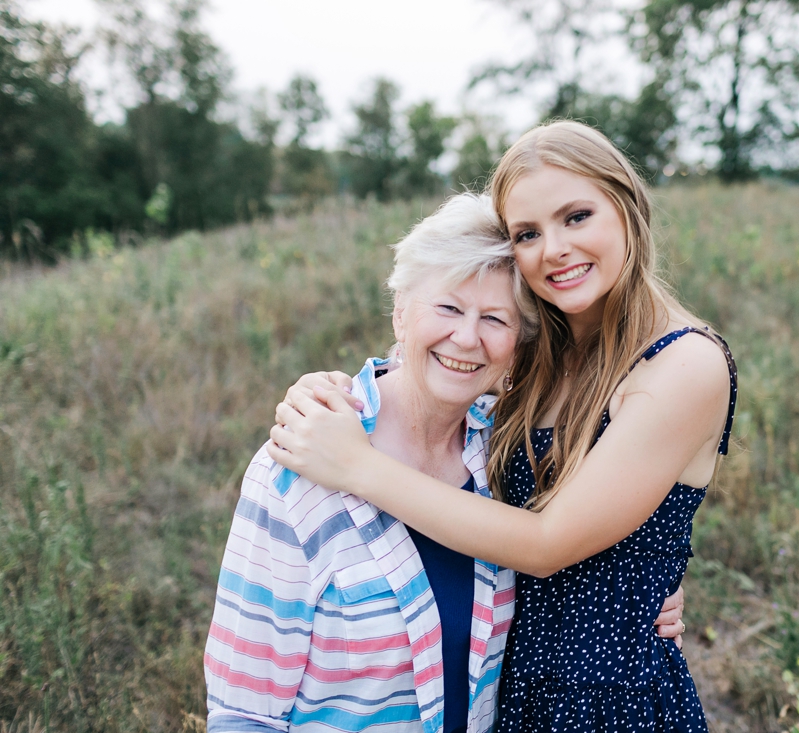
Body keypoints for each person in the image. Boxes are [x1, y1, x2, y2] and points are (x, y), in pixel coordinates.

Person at [270, 121, 735, 732]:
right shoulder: (550, 348)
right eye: (527, 233)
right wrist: (333, 391)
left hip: (606, 700)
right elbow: (442, 358)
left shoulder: (685, 365)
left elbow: (547, 547)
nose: (554, 249)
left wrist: (356, 466)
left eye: (577, 216)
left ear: (627, 205)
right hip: (509, 686)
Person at [205, 192, 685, 733]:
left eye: (495, 319)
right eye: (448, 308)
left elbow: (575, 539)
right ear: (401, 313)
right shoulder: (300, 466)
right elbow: (244, 714)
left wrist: (646, 586)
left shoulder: (510, 454)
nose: (466, 337)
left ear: (519, 345)